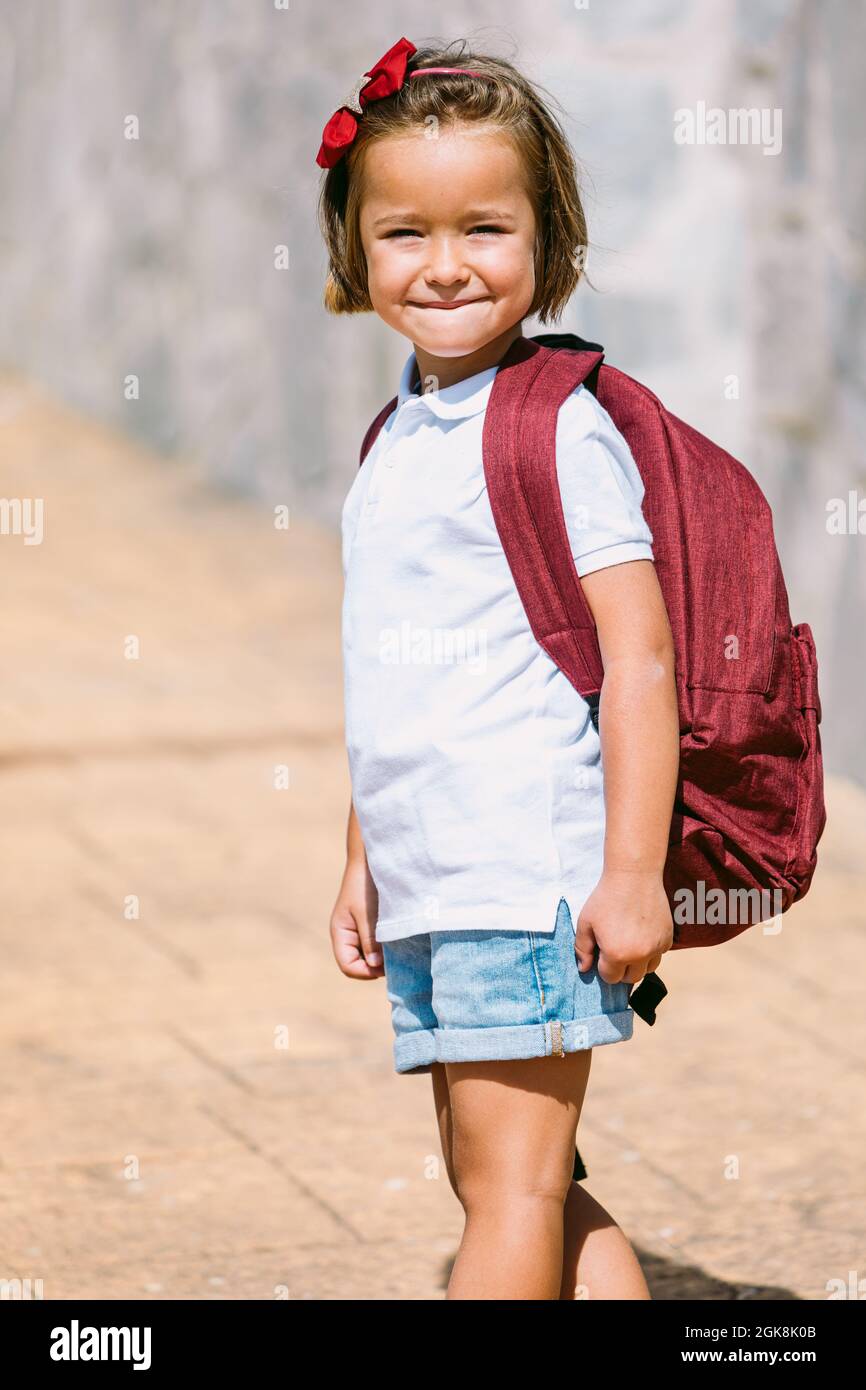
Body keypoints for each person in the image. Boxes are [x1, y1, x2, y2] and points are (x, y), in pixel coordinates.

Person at [320, 38, 680, 1300]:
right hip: (438, 870)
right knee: (518, 1186)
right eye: (404, 233)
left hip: (521, 870)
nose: (445, 264)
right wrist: (366, 859)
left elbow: (638, 661)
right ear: (353, 254)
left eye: (484, 226)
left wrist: (631, 872)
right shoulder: (397, 435)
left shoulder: (554, 427)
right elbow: (393, 677)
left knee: (510, 1190)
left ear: (547, 241)